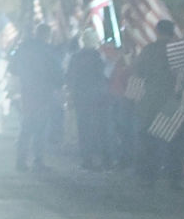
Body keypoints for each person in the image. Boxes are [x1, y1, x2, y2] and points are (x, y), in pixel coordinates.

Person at [134, 18, 183, 188]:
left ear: (157, 31)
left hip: (151, 100)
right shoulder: (179, 51)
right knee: (174, 140)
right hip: (173, 100)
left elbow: (138, 72)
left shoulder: (149, 50)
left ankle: (148, 176)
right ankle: (174, 178)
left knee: (149, 139)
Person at [8, 24, 62, 172]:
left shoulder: (23, 48)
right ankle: (38, 161)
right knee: (40, 127)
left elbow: (12, 68)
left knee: (26, 126)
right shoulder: (48, 51)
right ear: (46, 35)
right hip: (44, 92)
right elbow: (57, 71)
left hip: (26, 91)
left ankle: (21, 160)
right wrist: (58, 85)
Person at [66, 30, 110, 169]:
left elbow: (70, 78)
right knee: (101, 129)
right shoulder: (100, 57)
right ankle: (105, 160)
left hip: (81, 97)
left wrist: (72, 94)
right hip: (98, 97)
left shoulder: (76, 57)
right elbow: (105, 76)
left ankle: (87, 160)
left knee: (84, 129)